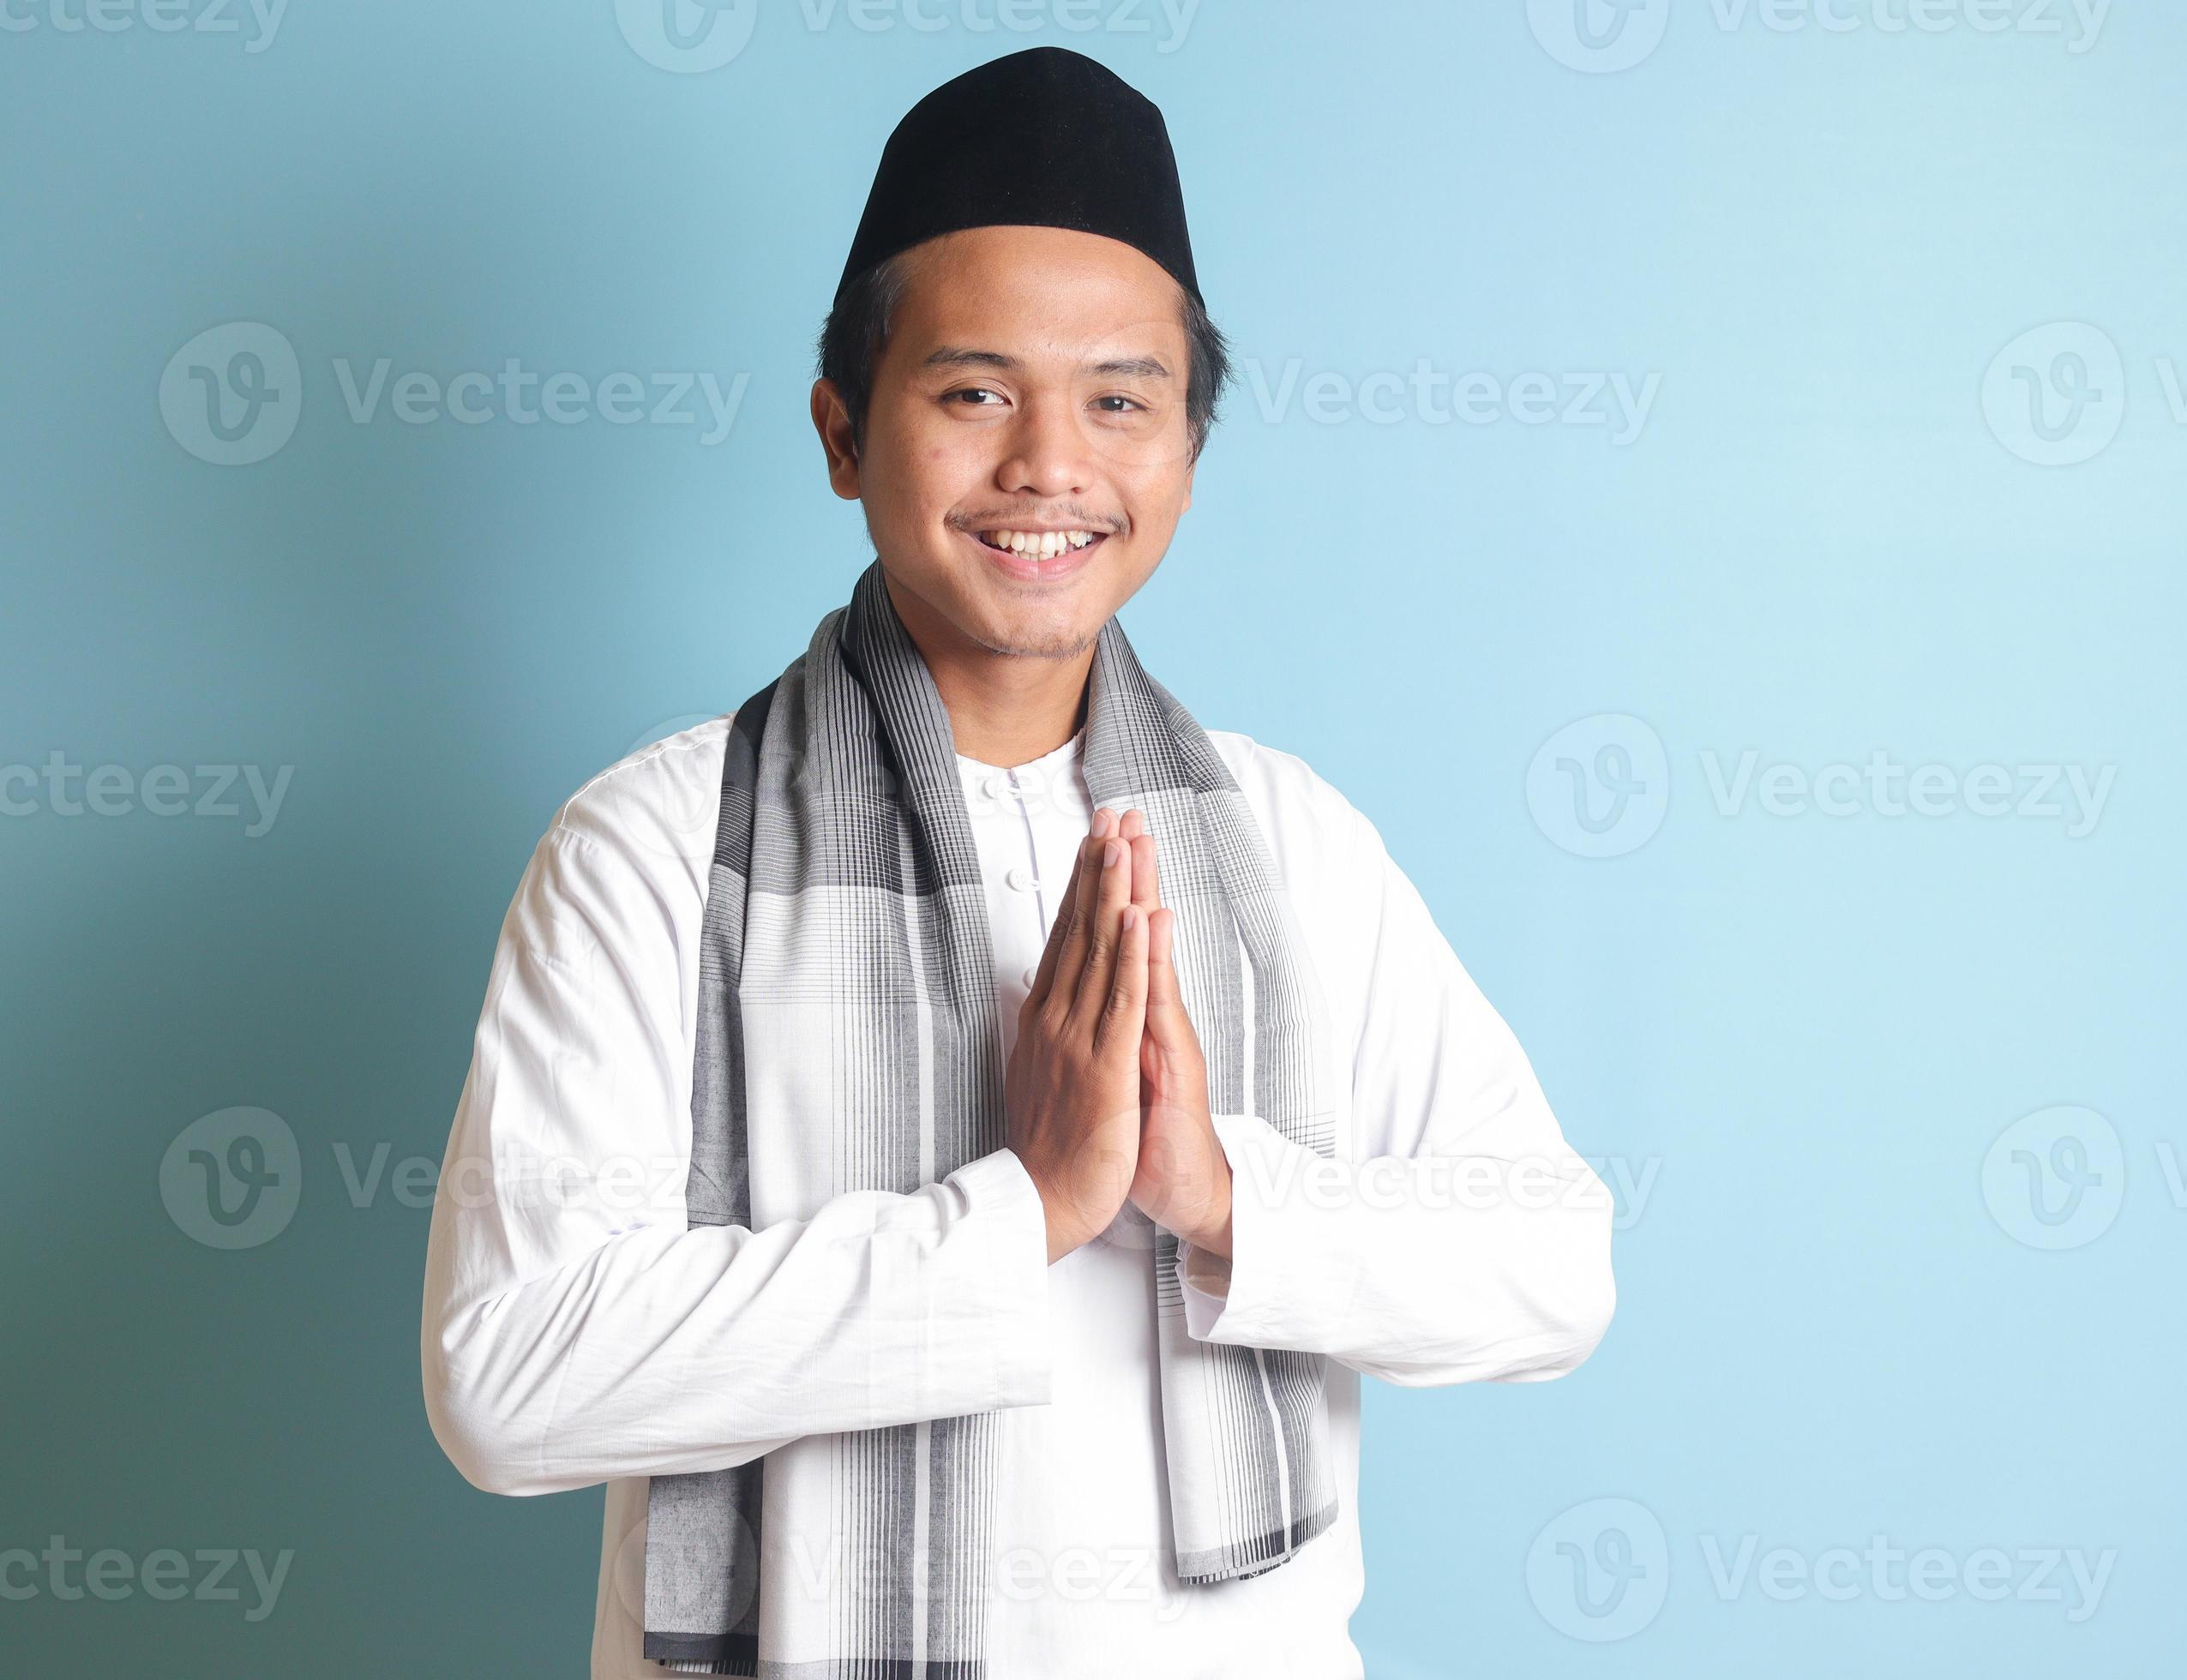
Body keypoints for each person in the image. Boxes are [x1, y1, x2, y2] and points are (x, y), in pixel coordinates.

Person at [419, 45, 1615, 1679]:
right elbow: (507, 1381)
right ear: (844, 431)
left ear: (1187, 448)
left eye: (1120, 400)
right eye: (974, 392)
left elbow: (1551, 1268)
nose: (1051, 464)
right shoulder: (655, 844)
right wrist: (1021, 1213)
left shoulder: (1291, 842)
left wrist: (1216, 1197)